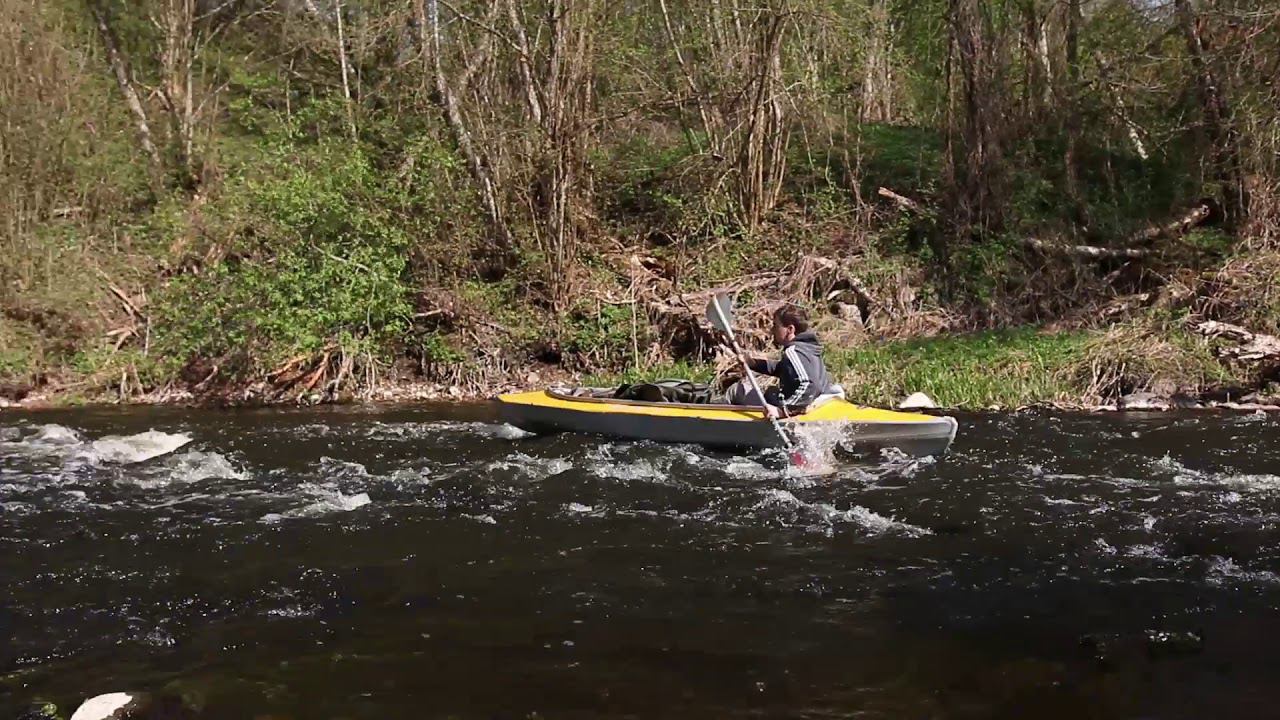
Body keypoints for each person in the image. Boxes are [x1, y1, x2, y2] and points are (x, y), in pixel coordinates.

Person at [726, 303, 834, 418]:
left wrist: (783, 411)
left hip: (799, 410)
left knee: (736, 390)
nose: (772, 330)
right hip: (814, 405)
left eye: (776, 326)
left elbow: (810, 385)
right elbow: (784, 369)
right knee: (770, 392)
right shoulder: (808, 348)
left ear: (790, 329)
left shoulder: (794, 351)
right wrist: (753, 363)